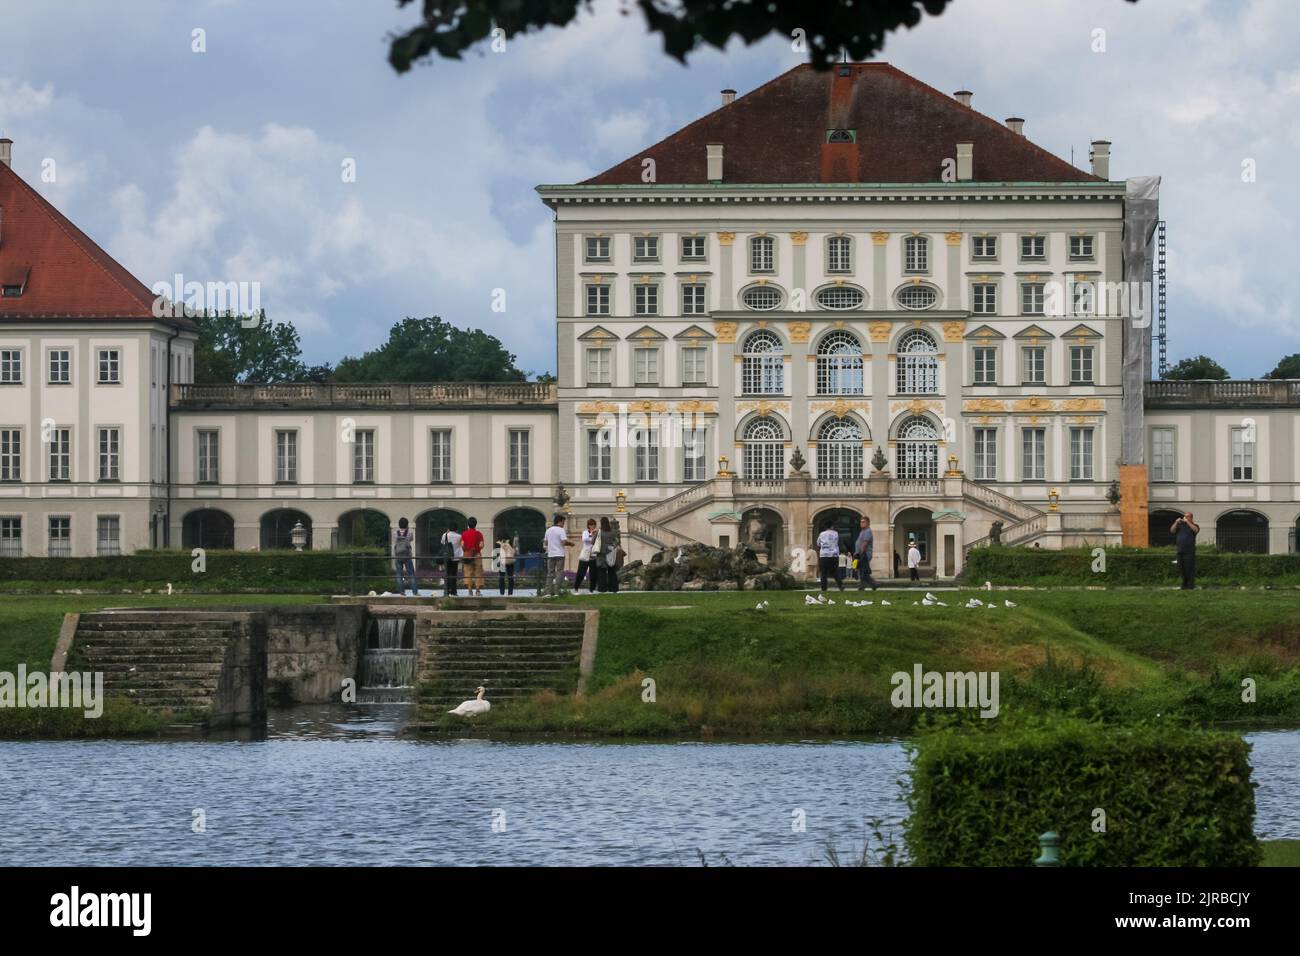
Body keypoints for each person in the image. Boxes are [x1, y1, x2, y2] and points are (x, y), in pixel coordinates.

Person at [543, 514, 573, 596]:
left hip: (551, 554)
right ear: (559, 521)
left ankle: (548, 592)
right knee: (559, 572)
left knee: (550, 572)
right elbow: (563, 542)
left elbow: (545, 542)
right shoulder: (561, 530)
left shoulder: (548, 530)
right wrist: (570, 544)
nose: (564, 524)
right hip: (560, 554)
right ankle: (556, 591)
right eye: (563, 522)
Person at [1171, 511, 1201, 589]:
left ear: (1191, 518)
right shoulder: (1180, 526)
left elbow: (1196, 530)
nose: (1185, 518)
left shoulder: (1194, 525)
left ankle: (1190, 585)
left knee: (1189, 568)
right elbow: (1172, 530)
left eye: (1187, 516)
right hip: (1180, 550)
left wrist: (1188, 522)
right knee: (1182, 568)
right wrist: (1176, 522)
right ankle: (1184, 585)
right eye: (1185, 516)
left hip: (1189, 550)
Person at [460, 516, 485, 597]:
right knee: (478, 572)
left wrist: (466, 550)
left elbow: (462, 545)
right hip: (477, 554)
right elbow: (482, 545)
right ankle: (477, 591)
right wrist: (477, 549)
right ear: (475, 524)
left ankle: (470, 591)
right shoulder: (479, 534)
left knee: (468, 572)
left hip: (467, 555)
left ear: (468, 524)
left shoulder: (464, 534)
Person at [854, 516, 879, 591]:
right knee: (863, 571)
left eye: (863, 522)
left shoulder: (868, 531)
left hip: (864, 554)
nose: (861, 523)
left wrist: (860, 553)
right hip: (861, 553)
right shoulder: (862, 532)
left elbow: (865, 543)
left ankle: (869, 585)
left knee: (863, 571)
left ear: (868, 523)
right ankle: (872, 585)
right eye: (860, 522)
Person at [816, 521, 843, 592]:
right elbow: (838, 542)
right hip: (834, 555)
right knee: (835, 571)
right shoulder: (836, 533)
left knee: (823, 573)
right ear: (832, 526)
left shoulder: (822, 534)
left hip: (824, 555)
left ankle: (824, 588)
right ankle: (840, 584)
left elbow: (818, 543)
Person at [392, 516, 416, 595]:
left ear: (399, 525)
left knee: (399, 574)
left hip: (398, 556)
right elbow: (411, 539)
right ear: (407, 525)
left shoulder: (395, 533)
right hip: (407, 556)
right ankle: (414, 592)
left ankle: (402, 592)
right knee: (411, 574)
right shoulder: (409, 533)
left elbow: (395, 542)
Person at [440, 521, 462, 597]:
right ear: (456, 529)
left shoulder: (445, 535)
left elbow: (442, 543)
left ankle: (447, 590)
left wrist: (446, 533)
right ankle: (454, 591)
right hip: (455, 557)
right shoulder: (459, 536)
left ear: (449, 528)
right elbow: (460, 545)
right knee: (454, 574)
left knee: (447, 574)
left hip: (447, 557)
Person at [575, 518, 598, 592]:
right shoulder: (585, 532)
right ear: (588, 526)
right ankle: (576, 588)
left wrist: (593, 536)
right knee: (581, 572)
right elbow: (585, 539)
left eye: (594, 525)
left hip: (594, 555)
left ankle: (592, 589)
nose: (592, 526)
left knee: (593, 574)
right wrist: (592, 534)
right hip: (585, 555)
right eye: (591, 525)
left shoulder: (597, 533)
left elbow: (597, 541)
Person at [602, 517, 623, 593]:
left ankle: (610, 586)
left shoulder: (611, 532)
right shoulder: (614, 532)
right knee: (612, 570)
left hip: (611, 552)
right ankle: (612, 587)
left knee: (611, 570)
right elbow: (617, 542)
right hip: (612, 552)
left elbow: (617, 542)